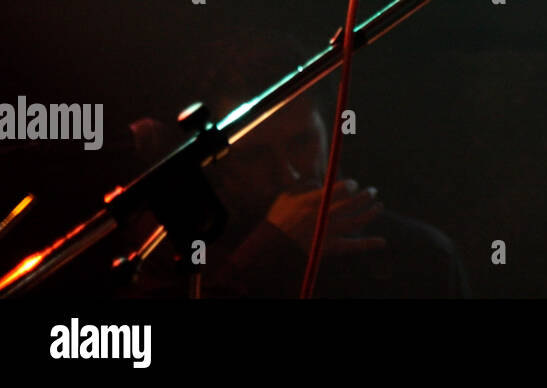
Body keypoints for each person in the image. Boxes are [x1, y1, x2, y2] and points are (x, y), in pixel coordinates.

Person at [125, 32, 470, 298]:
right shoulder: (178, 259)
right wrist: (268, 253)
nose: (287, 173)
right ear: (218, 166)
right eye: (255, 154)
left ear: (330, 128)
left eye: (302, 142)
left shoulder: (418, 255)